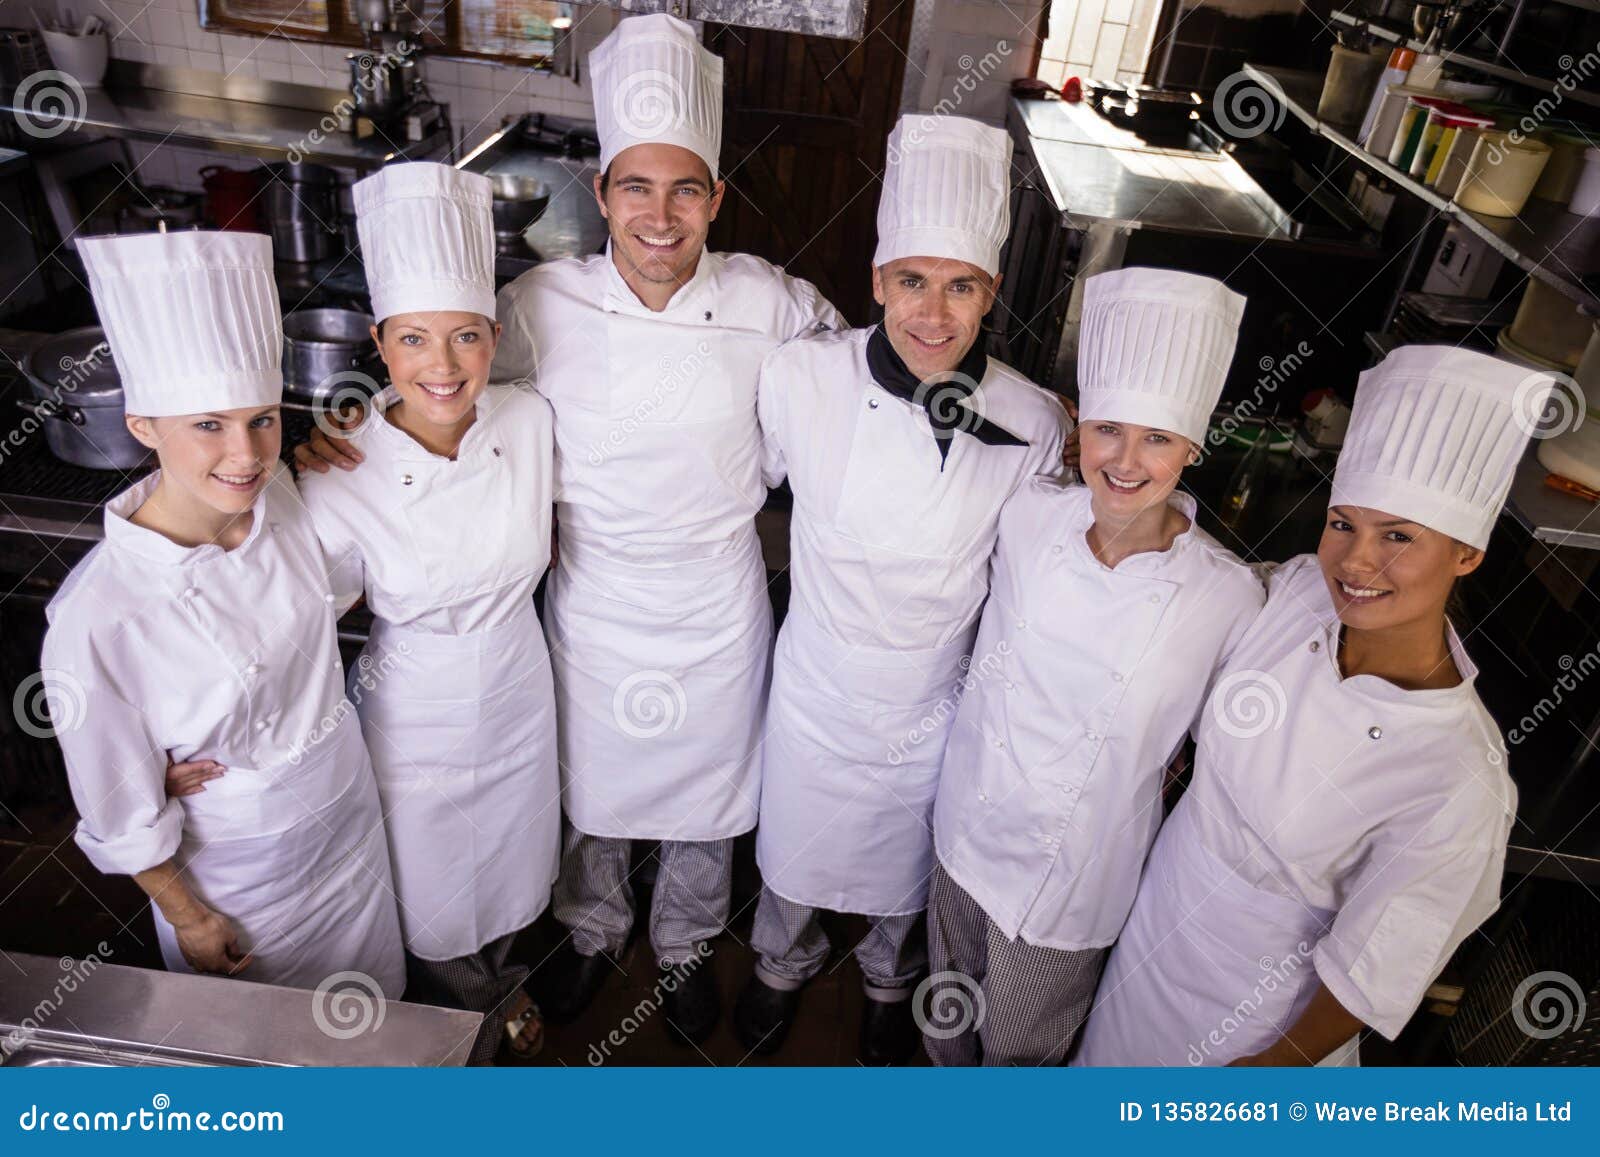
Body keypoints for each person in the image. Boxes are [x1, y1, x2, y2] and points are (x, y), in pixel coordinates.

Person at [295, 13, 841, 1044]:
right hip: (593, 589)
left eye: (685, 189)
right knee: (592, 783)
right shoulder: (542, 302)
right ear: (600, 193)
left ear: (716, 198)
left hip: (716, 594)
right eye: (636, 186)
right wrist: (345, 422)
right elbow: (443, 376)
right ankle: (594, 927)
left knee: (707, 796)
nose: (659, 215)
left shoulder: (770, 301)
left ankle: (684, 942)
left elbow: (862, 374)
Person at [1074, 345, 1548, 1066]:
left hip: (1254, 1023)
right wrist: (1116, 482)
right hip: (1147, 941)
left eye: (1398, 536)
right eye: (1343, 523)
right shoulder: (1299, 592)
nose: (1356, 562)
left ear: (1466, 554)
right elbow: (1197, 591)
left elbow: (1373, 971)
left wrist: (1270, 1072)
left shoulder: (1459, 779)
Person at [737, 114, 1071, 1064]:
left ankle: (889, 976)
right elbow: (736, 474)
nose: (935, 312)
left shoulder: (1031, 419)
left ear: (990, 293)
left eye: (961, 286)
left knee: (909, 860)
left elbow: (1032, 570)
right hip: (819, 678)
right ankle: (779, 961)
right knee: (796, 846)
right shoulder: (801, 377)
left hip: (935, 690)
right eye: (913, 281)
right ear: (878, 280)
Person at [42, 230, 404, 997]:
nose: (245, 454)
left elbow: (344, 580)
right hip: (243, 878)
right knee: (269, 1049)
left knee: (377, 1022)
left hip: (349, 824)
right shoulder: (96, 616)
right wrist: (189, 916)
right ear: (143, 424)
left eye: (262, 418)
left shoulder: (281, 498)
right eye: (208, 424)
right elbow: (118, 806)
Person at [923, 266, 1264, 1066]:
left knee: (1018, 1060)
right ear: (1079, 426)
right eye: (1110, 429)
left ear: (1192, 448)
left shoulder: (1228, 596)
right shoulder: (1028, 514)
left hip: (1070, 880)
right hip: (964, 824)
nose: (1126, 461)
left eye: (1158, 439)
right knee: (943, 1018)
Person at [290, 162, 559, 1064]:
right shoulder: (340, 463)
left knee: (516, 856)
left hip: (519, 677)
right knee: (429, 881)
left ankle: (503, 975)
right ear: (379, 340)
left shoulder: (530, 421)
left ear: (494, 338)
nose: (441, 367)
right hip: (412, 702)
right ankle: (471, 1011)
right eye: (413, 339)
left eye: (465, 337)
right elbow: (299, 617)